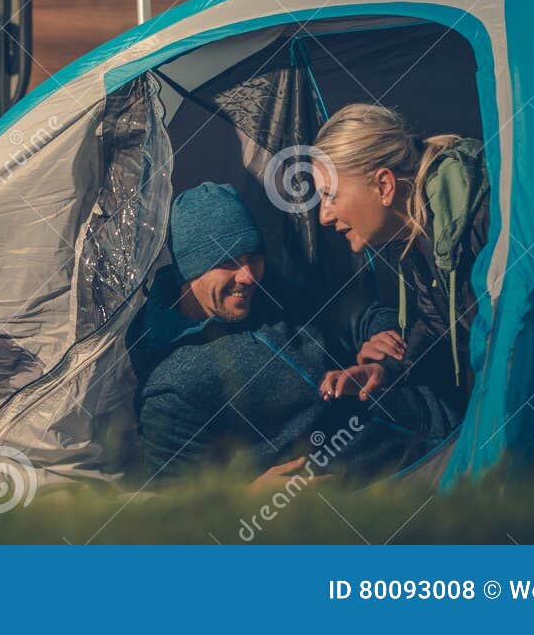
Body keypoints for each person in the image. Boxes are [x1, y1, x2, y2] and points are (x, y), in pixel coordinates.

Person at [129, 182, 456, 481]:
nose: (248, 276)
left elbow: (361, 312)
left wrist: (379, 337)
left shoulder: (275, 290)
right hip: (383, 490)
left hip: (444, 423)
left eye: (253, 256)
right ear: (190, 270)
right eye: (228, 261)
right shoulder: (171, 383)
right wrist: (245, 502)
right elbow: (172, 508)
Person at [312, 103, 488, 411]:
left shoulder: (479, 218)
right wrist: (388, 369)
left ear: (383, 186)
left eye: (331, 195)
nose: (323, 216)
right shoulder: (418, 231)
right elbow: (443, 326)